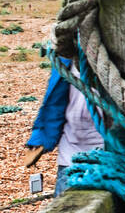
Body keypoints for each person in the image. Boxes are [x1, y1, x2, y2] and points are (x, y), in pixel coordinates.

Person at [24, 57, 104, 196]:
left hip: (111, 153)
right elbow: (53, 102)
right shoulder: (66, 56)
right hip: (72, 152)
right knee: (65, 209)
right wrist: (41, 138)